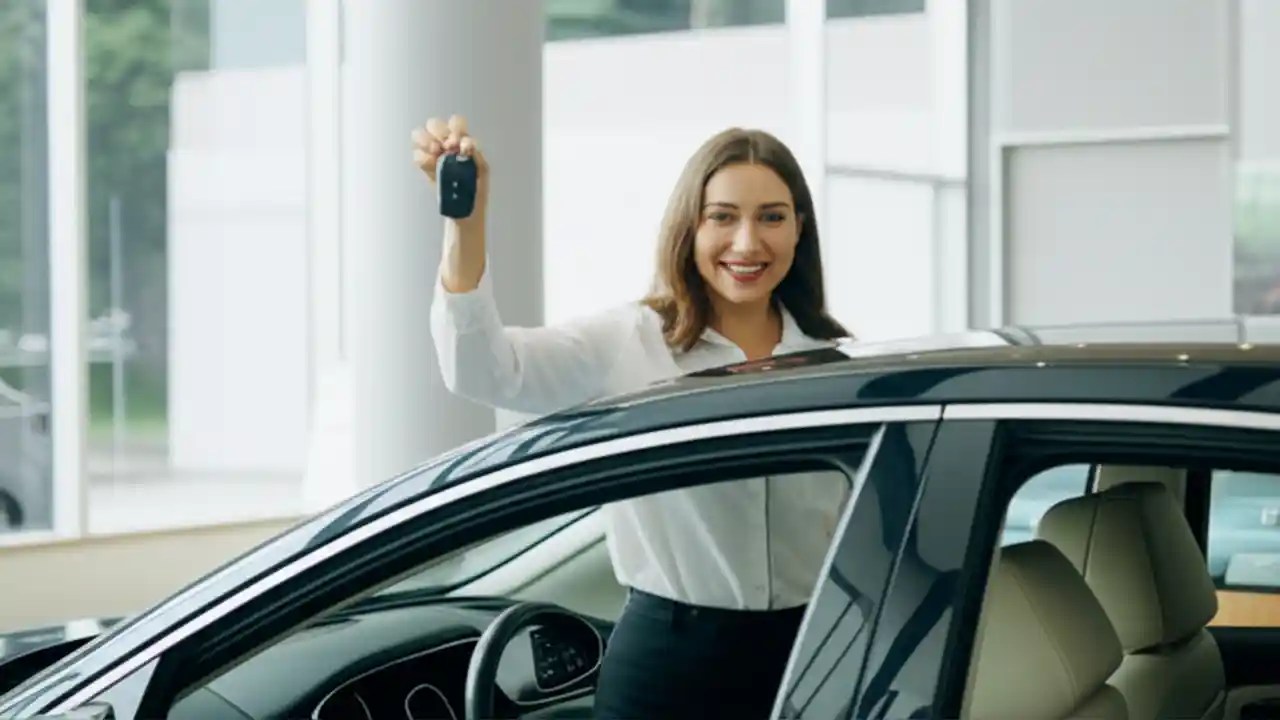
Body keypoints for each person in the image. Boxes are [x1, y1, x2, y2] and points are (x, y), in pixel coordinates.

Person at [412, 115, 853, 719]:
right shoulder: (631, 342)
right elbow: (484, 371)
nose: (748, 243)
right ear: (689, 227)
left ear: (800, 228)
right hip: (669, 669)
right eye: (722, 217)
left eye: (771, 217)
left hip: (813, 660)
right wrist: (466, 223)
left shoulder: (836, 360)